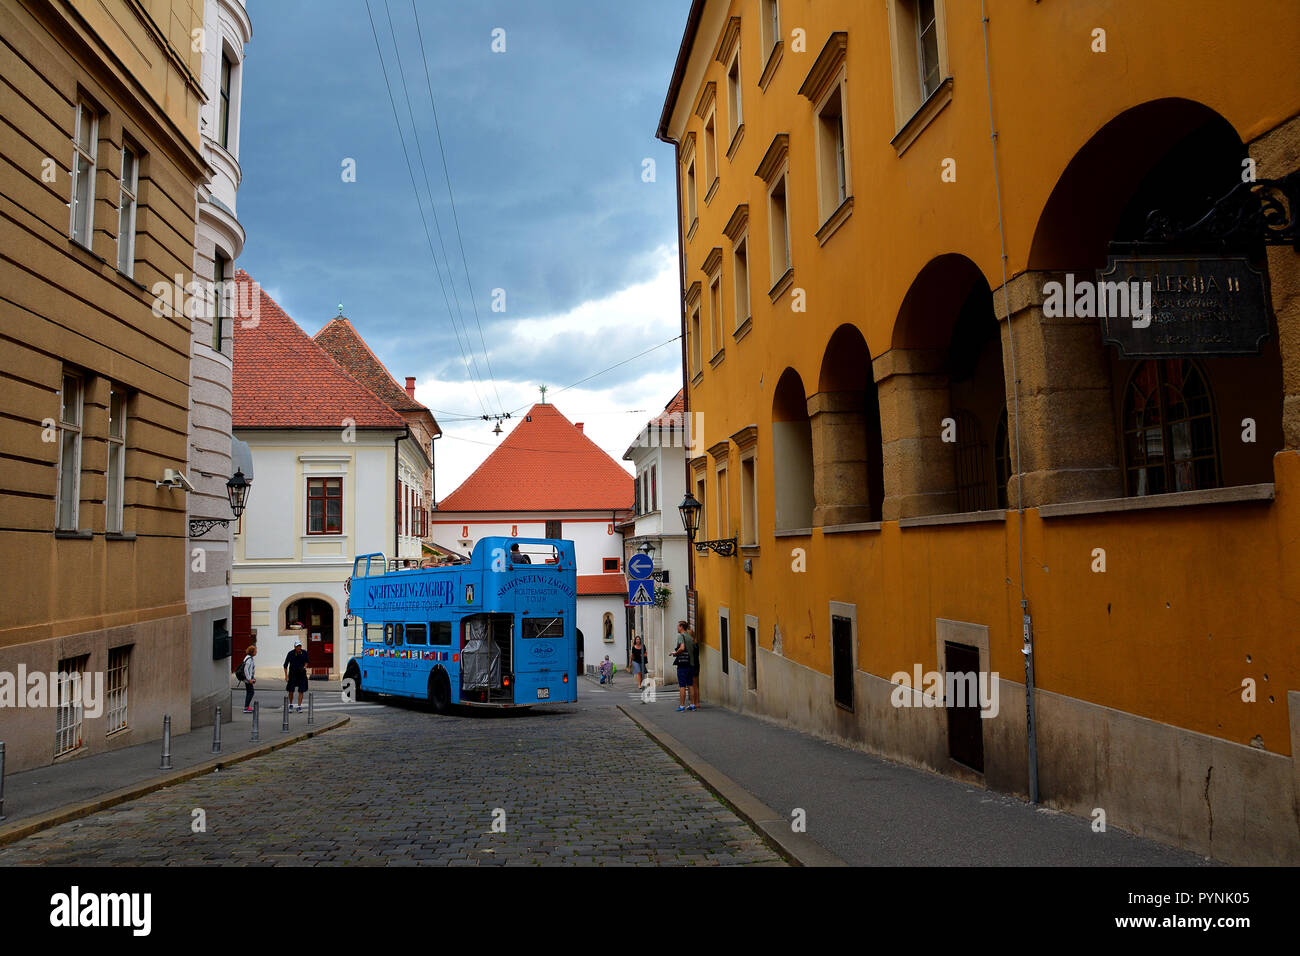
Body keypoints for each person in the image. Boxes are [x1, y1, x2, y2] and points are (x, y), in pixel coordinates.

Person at [673, 622, 695, 712]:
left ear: (681, 627)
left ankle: (682, 706)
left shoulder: (681, 636)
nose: (677, 628)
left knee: (682, 685)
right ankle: (692, 705)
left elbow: (682, 648)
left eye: (678, 626)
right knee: (690, 685)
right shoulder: (690, 637)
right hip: (691, 663)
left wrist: (675, 653)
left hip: (683, 664)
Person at [283, 640, 310, 712]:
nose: (299, 647)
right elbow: (285, 665)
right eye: (297, 646)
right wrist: (286, 676)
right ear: (294, 647)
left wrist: (305, 666)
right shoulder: (290, 653)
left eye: (300, 646)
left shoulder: (304, 652)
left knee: (301, 690)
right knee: (291, 690)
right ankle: (290, 705)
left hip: (301, 674)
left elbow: (307, 661)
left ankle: (299, 706)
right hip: (292, 674)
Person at [240, 645, 257, 712]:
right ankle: (246, 708)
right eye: (255, 651)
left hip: (249, 679)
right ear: (252, 652)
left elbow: (251, 670)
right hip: (247, 679)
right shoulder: (249, 659)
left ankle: (246, 707)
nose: (256, 652)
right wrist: (249, 679)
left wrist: (253, 678)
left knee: (249, 692)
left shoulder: (250, 658)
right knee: (251, 692)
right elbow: (246, 670)